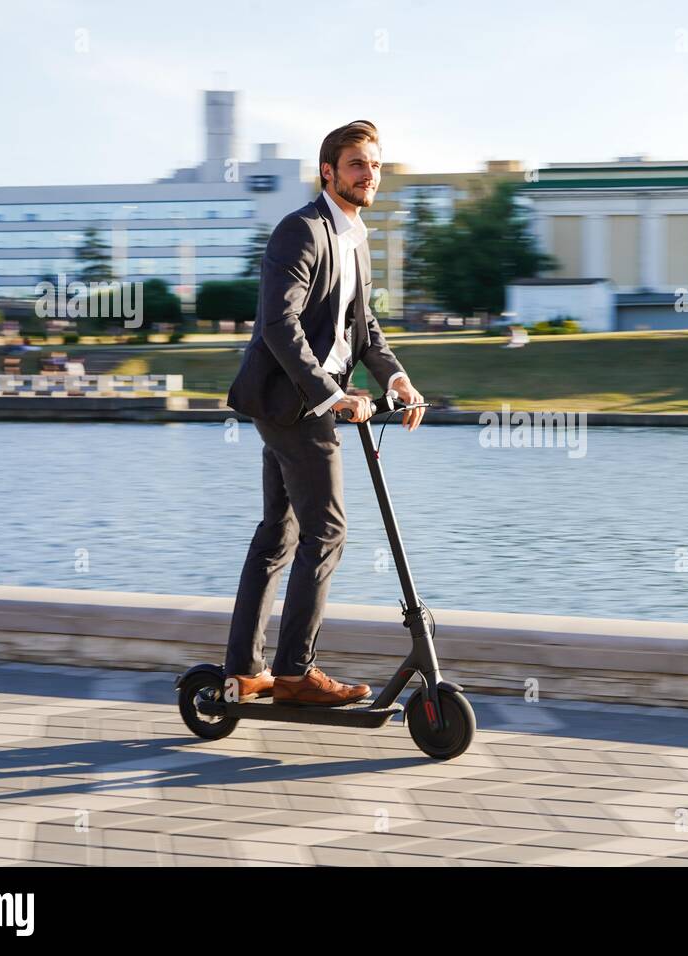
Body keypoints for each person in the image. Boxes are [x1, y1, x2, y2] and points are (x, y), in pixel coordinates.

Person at [222, 120, 425, 707]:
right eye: (358, 164)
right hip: (293, 400)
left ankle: (244, 670)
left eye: (376, 165)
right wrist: (333, 396)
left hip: (309, 400)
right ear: (328, 172)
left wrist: (397, 378)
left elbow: (364, 330)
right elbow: (279, 327)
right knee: (327, 529)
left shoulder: (356, 236)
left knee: (278, 534)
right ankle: (294, 671)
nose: (370, 174)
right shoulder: (302, 231)